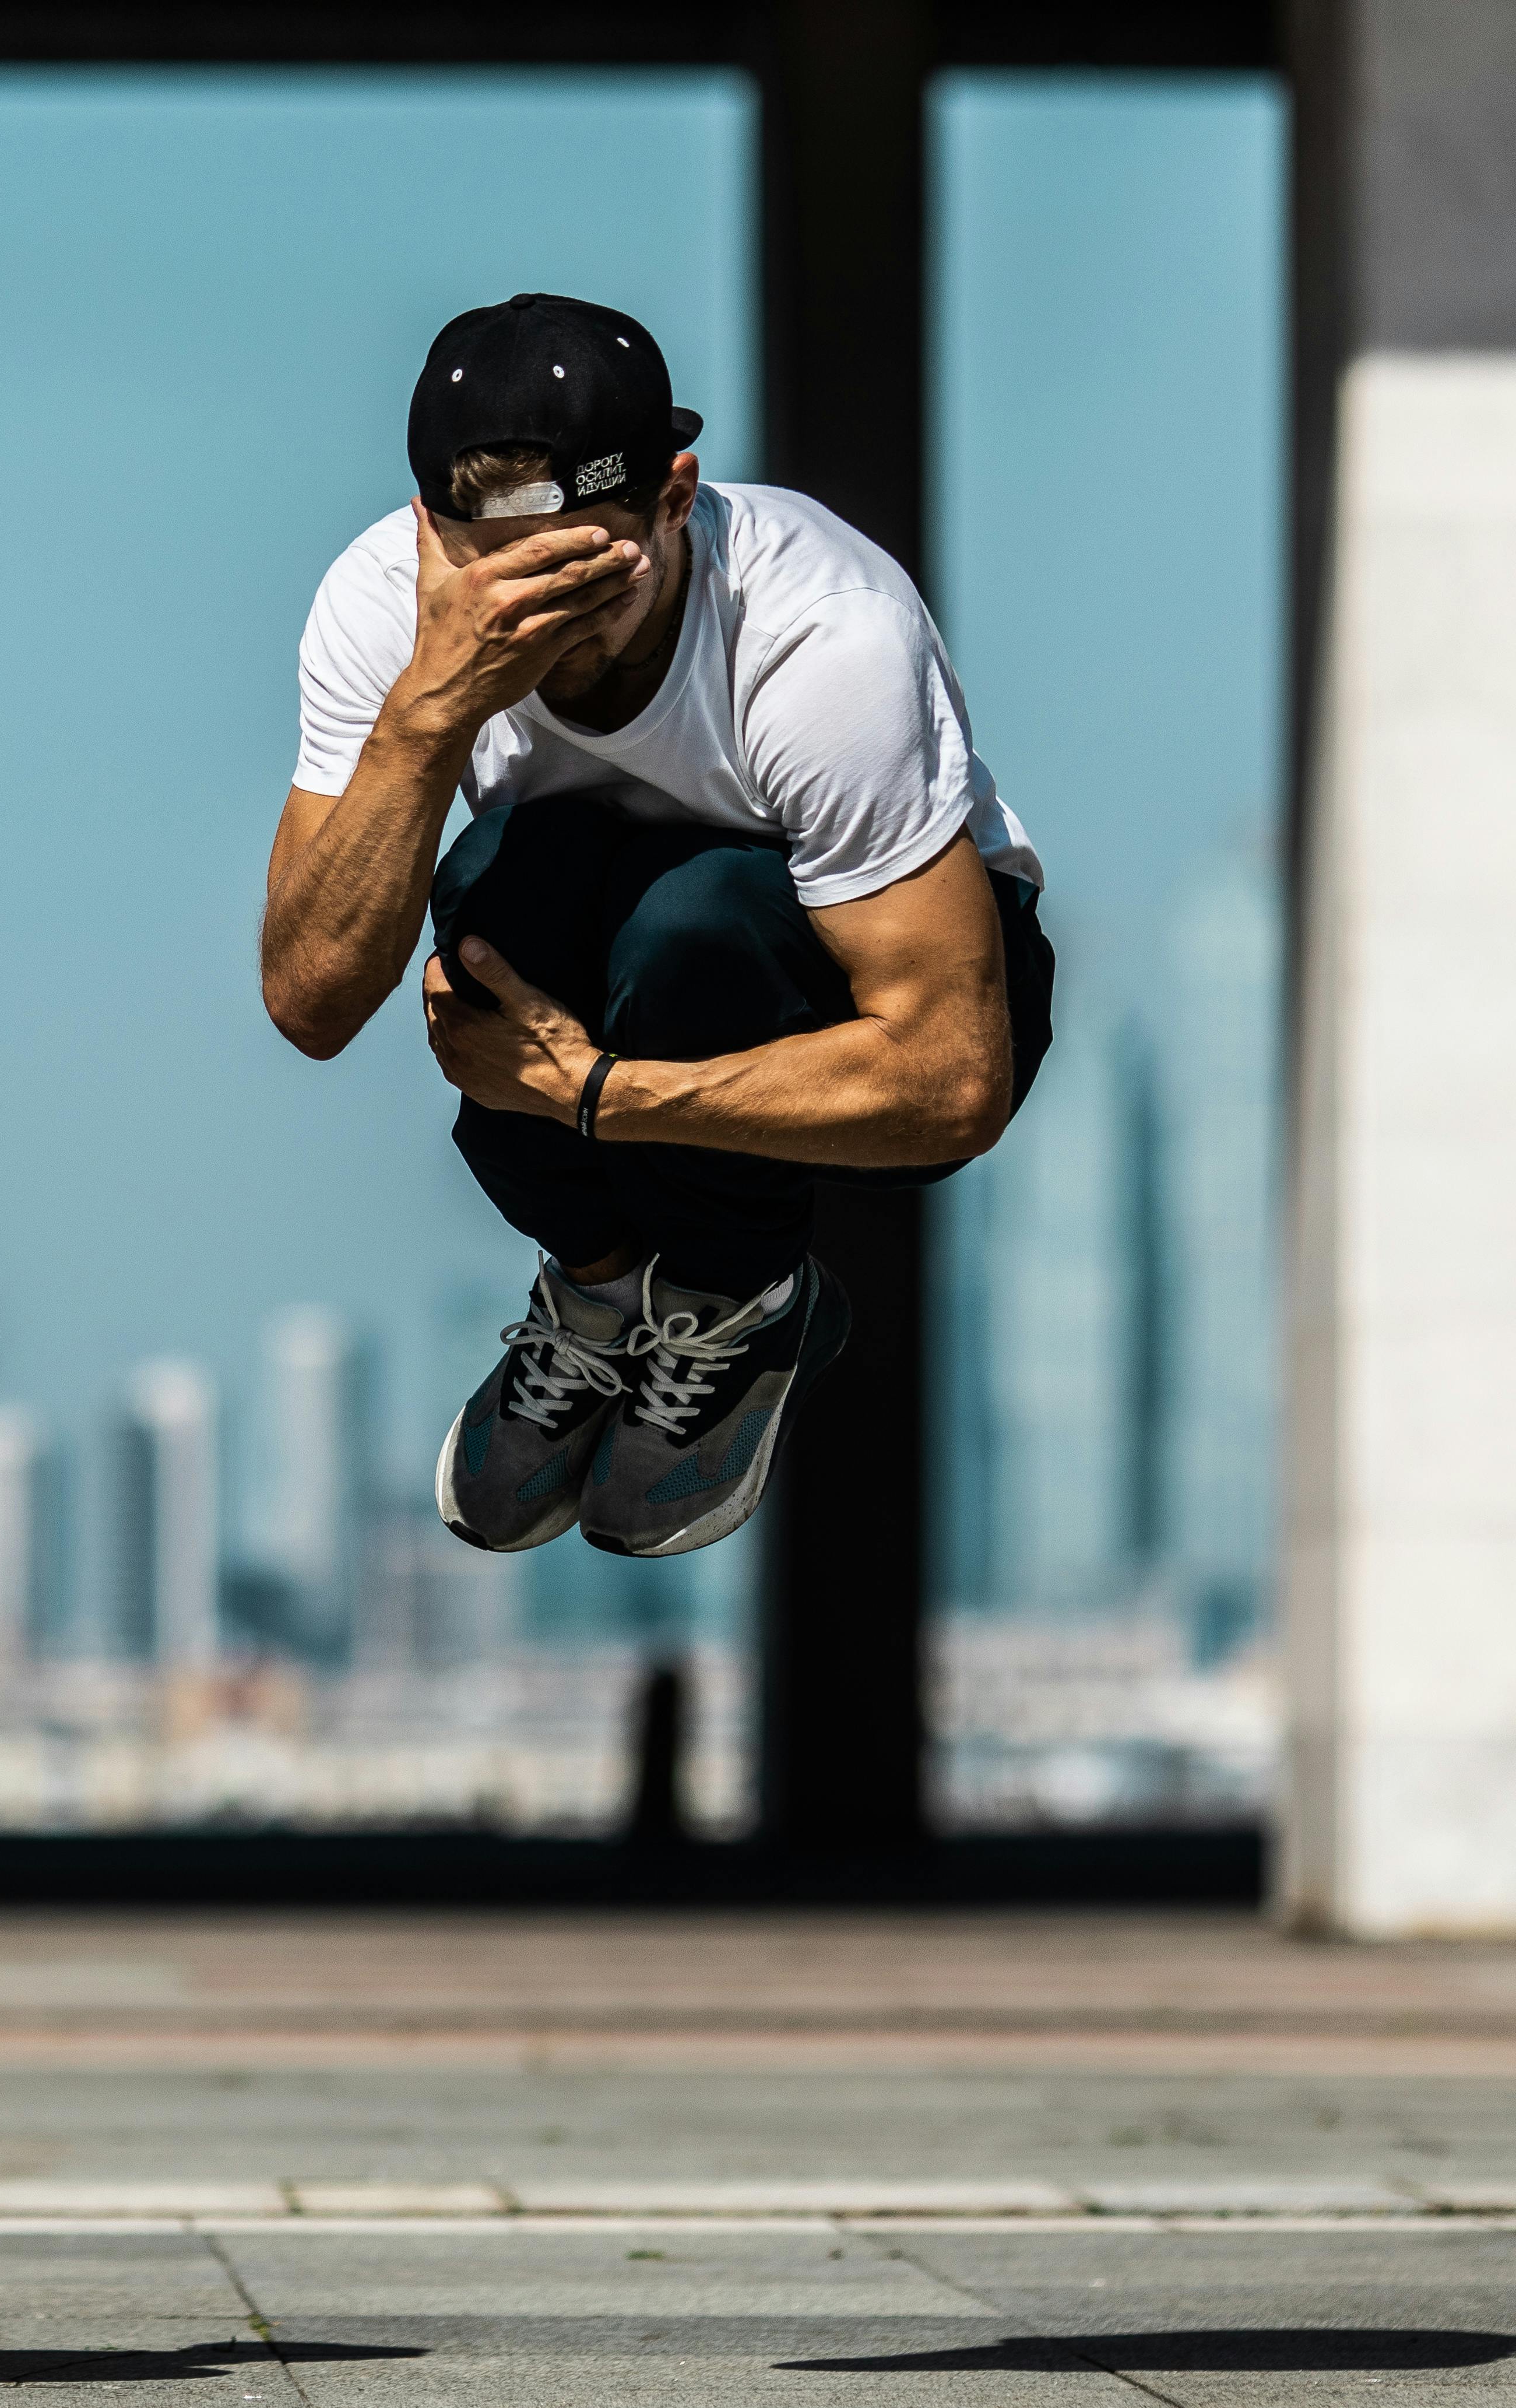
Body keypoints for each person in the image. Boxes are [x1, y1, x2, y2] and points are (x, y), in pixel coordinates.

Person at [259, 293, 1054, 1561]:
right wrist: (430, 711)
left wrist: (599, 1096)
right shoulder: (382, 608)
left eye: (584, 568)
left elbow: (956, 1083)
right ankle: (595, 1283)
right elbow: (310, 1000)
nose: (544, 617)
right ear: (428, 532)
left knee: (694, 914)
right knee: (488, 890)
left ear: (673, 499)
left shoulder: (816, 632)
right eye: (499, 572)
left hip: (887, 990)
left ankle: (735, 1294)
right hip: (594, 987)